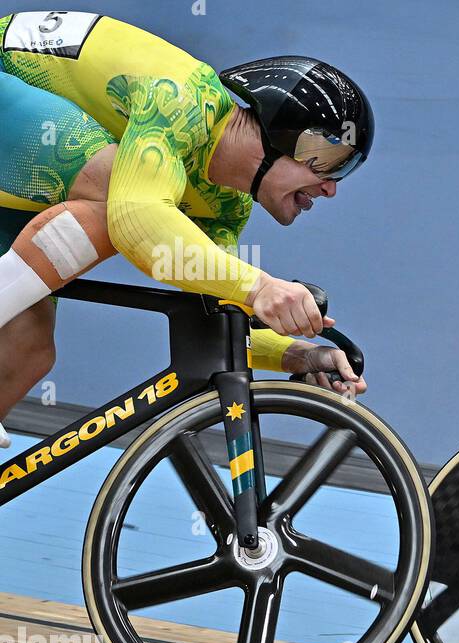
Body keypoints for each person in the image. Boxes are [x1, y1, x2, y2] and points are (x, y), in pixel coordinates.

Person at [0, 11, 373, 448]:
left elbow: (216, 312)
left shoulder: (226, 203)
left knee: (26, 354)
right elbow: (136, 223)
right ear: (280, 134)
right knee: (113, 195)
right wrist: (259, 286)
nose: (330, 188)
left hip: (23, 183)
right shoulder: (182, 99)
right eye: (328, 161)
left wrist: (298, 355)